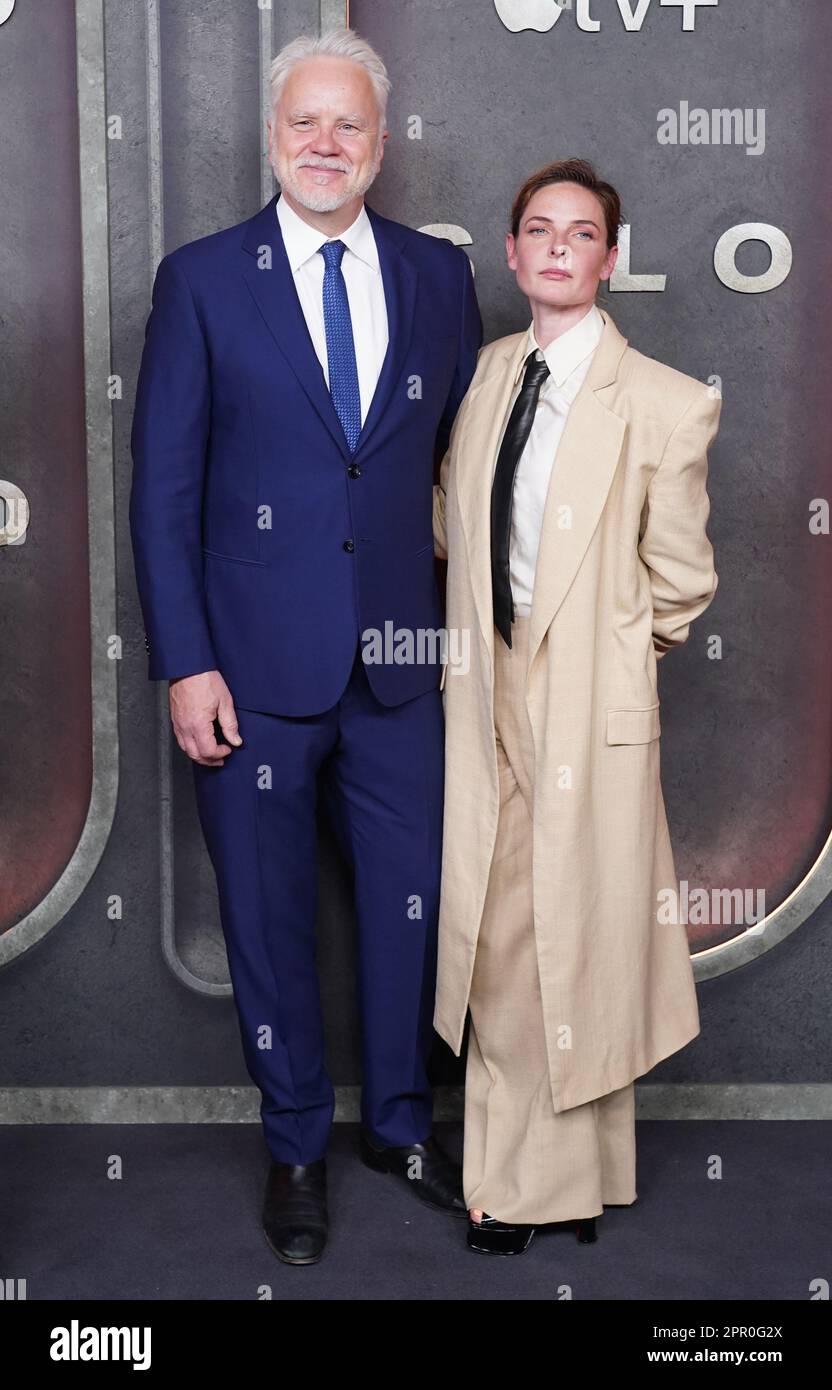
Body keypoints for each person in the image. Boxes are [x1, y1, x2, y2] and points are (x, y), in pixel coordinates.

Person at [129, 28, 482, 1265]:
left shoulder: (439, 282)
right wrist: (186, 660)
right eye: (304, 125)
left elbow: (458, 472)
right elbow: (163, 489)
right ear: (271, 138)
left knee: (410, 908)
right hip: (249, 672)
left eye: (349, 126)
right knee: (270, 920)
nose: (325, 145)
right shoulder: (202, 279)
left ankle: (396, 1126)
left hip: (398, 666)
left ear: (381, 146)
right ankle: (294, 1149)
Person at [432, 157, 720, 1255]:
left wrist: (603, 663)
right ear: (511, 256)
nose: (557, 244)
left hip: (588, 703)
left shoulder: (664, 401)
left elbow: (681, 581)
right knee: (528, 927)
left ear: (609, 258)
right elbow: (457, 525)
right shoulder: (490, 372)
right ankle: (588, 1170)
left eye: (582, 231)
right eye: (538, 229)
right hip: (486, 683)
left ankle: (516, 1190)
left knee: (548, 931)